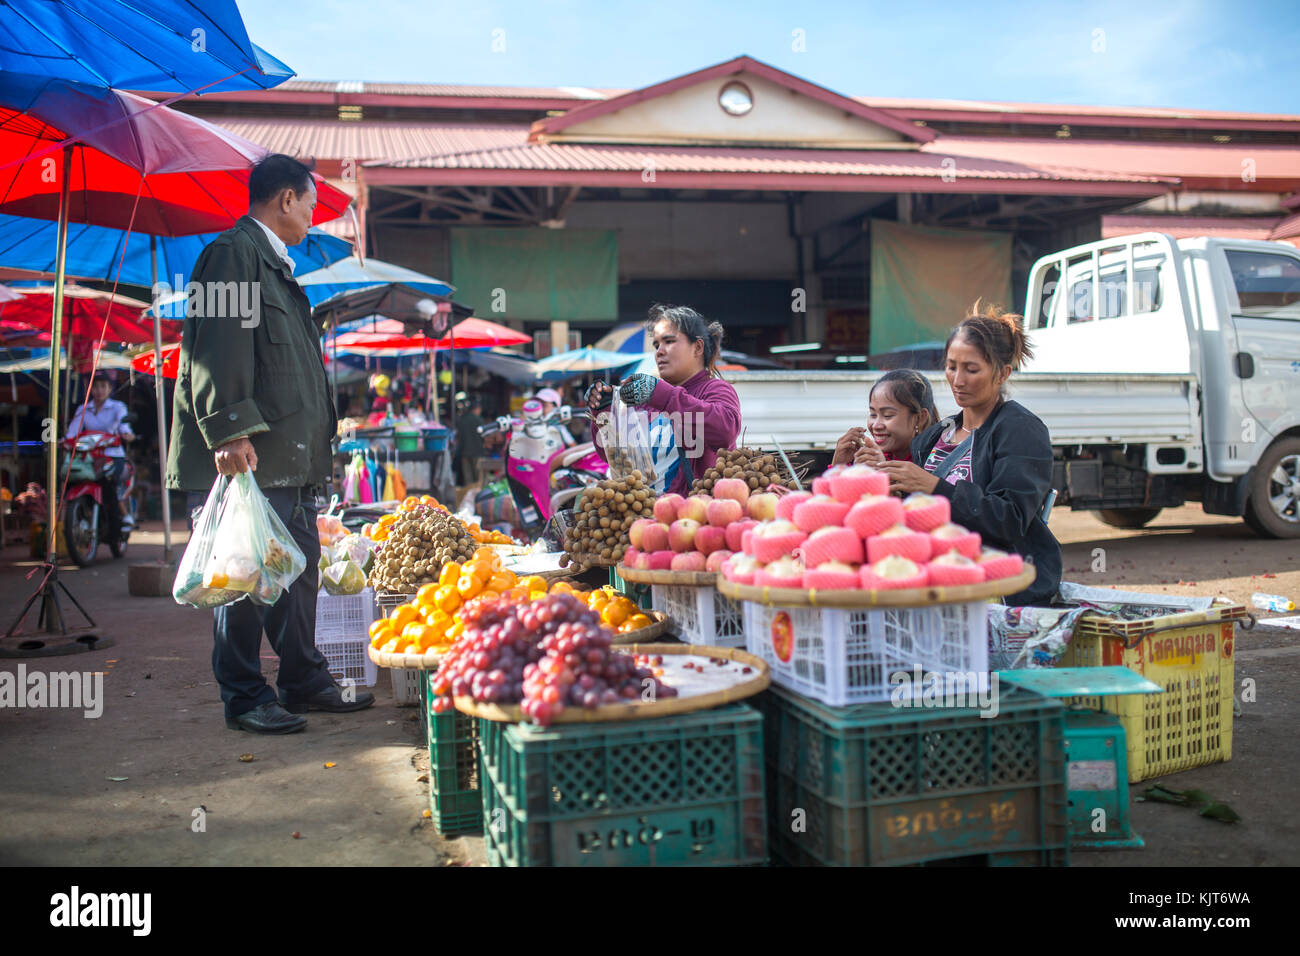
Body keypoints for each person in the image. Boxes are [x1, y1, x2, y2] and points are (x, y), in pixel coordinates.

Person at [167, 153, 374, 735]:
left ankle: (303, 678)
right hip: (255, 456)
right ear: (285, 199)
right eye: (310, 204)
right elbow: (215, 346)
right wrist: (228, 429)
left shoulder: (274, 266)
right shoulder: (232, 256)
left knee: (295, 571)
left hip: (291, 457)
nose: (313, 216)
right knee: (246, 575)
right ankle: (243, 695)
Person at [877, 301, 1061, 606]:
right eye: (951, 366)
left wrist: (934, 488)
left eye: (971, 369)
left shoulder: (1020, 431)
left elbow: (1011, 520)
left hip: (993, 588)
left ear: (1002, 373)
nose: (958, 380)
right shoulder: (936, 435)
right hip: (934, 580)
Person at [587, 304, 741, 497]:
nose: (659, 351)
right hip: (645, 516)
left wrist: (661, 394)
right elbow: (615, 457)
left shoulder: (714, 390)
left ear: (698, 347)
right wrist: (604, 412)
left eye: (669, 341)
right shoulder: (648, 400)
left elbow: (724, 431)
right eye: (657, 344)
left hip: (693, 516)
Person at [66, 372, 136, 529]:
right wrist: (63, 441)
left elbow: (123, 426)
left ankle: (124, 515)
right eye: (96, 387)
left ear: (110, 389)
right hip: (88, 457)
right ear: (91, 390)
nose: (99, 390)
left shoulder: (118, 407)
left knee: (110, 484)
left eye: (103, 386)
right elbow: (72, 431)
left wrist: (127, 434)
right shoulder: (83, 408)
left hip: (113, 456)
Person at [832, 369, 940, 468]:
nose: (876, 425)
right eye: (873, 414)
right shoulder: (870, 458)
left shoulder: (938, 462)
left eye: (887, 415)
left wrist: (883, 471)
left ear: (919, 418)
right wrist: (839, 466)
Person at [456, 396, 486, 486]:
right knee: (478, 477)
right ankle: (477, 496)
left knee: (468, 478)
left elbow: (458, 436)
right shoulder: (479, 420)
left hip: (464, 452)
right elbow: (484, 436)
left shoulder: (462, 420)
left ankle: (468, 496)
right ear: (477, 409)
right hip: (477, 452)